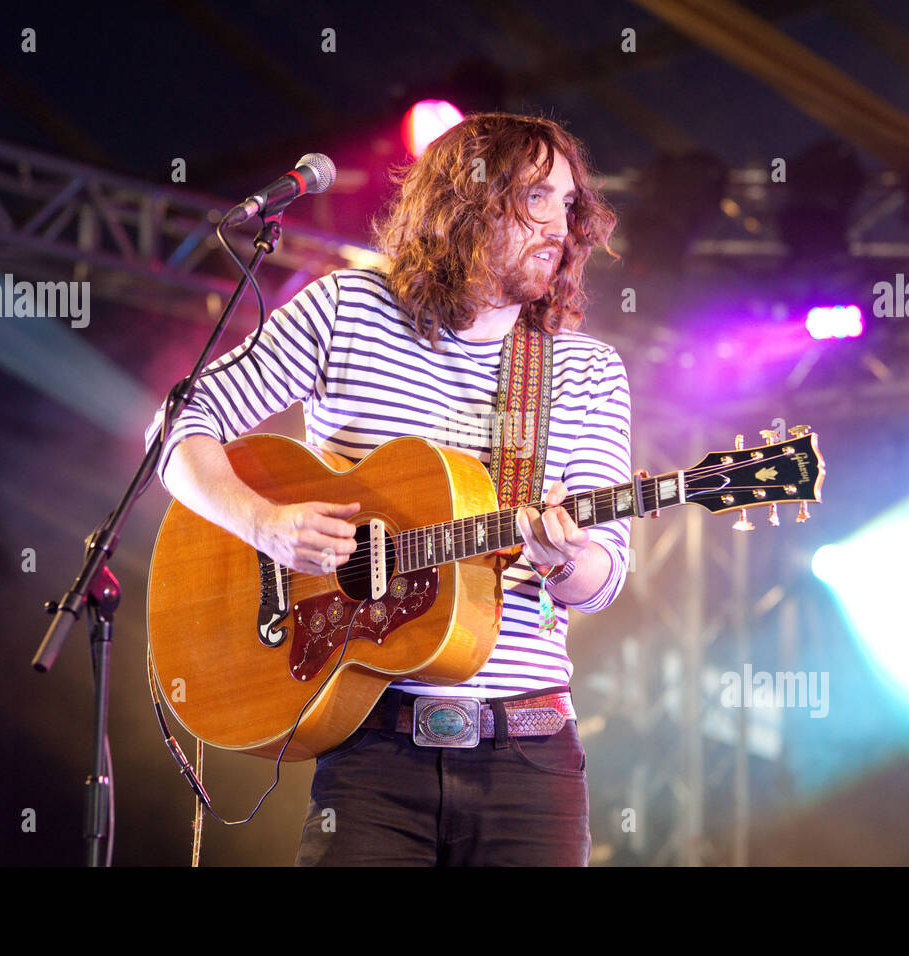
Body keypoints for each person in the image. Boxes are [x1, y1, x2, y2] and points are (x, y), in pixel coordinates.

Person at [145, 112, 632, 866]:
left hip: (529, 761)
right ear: (468, 200)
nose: (560, 226)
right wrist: (264, 523)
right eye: (537, 197)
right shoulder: (348, 310)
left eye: (569, 205)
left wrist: (565, 559)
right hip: (372, 748)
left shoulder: (587, 370)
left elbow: (603, 578)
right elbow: (176, 428)